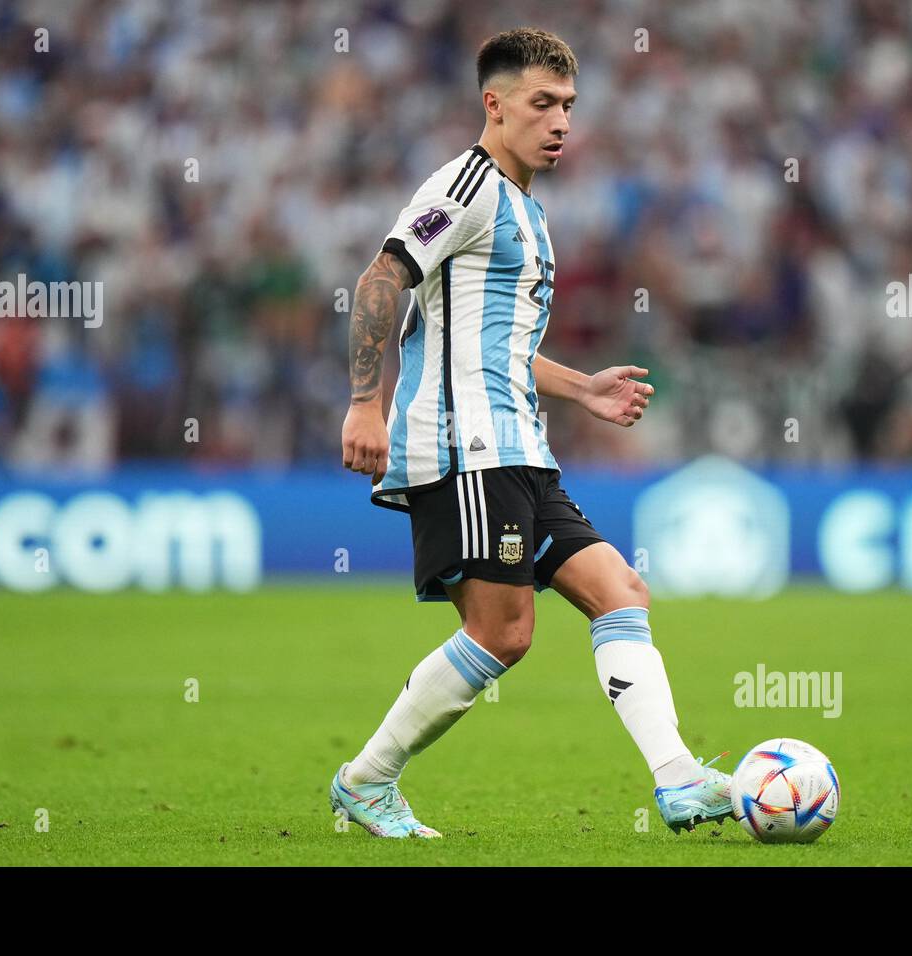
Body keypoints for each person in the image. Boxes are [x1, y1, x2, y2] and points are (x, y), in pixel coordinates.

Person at [332, 27, 731, 838]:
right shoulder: (467, 186)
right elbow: (383, 277)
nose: (559, 122)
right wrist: (364, 404)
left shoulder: (525, 209)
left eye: (569, 107)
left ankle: (679, 779)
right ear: (495, 104)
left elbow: (496, 340)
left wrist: (581, 386)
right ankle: (367, 780)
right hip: (466, 445)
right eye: (542, 104)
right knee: (503, 634)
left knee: (621, 592)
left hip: (521, 446)